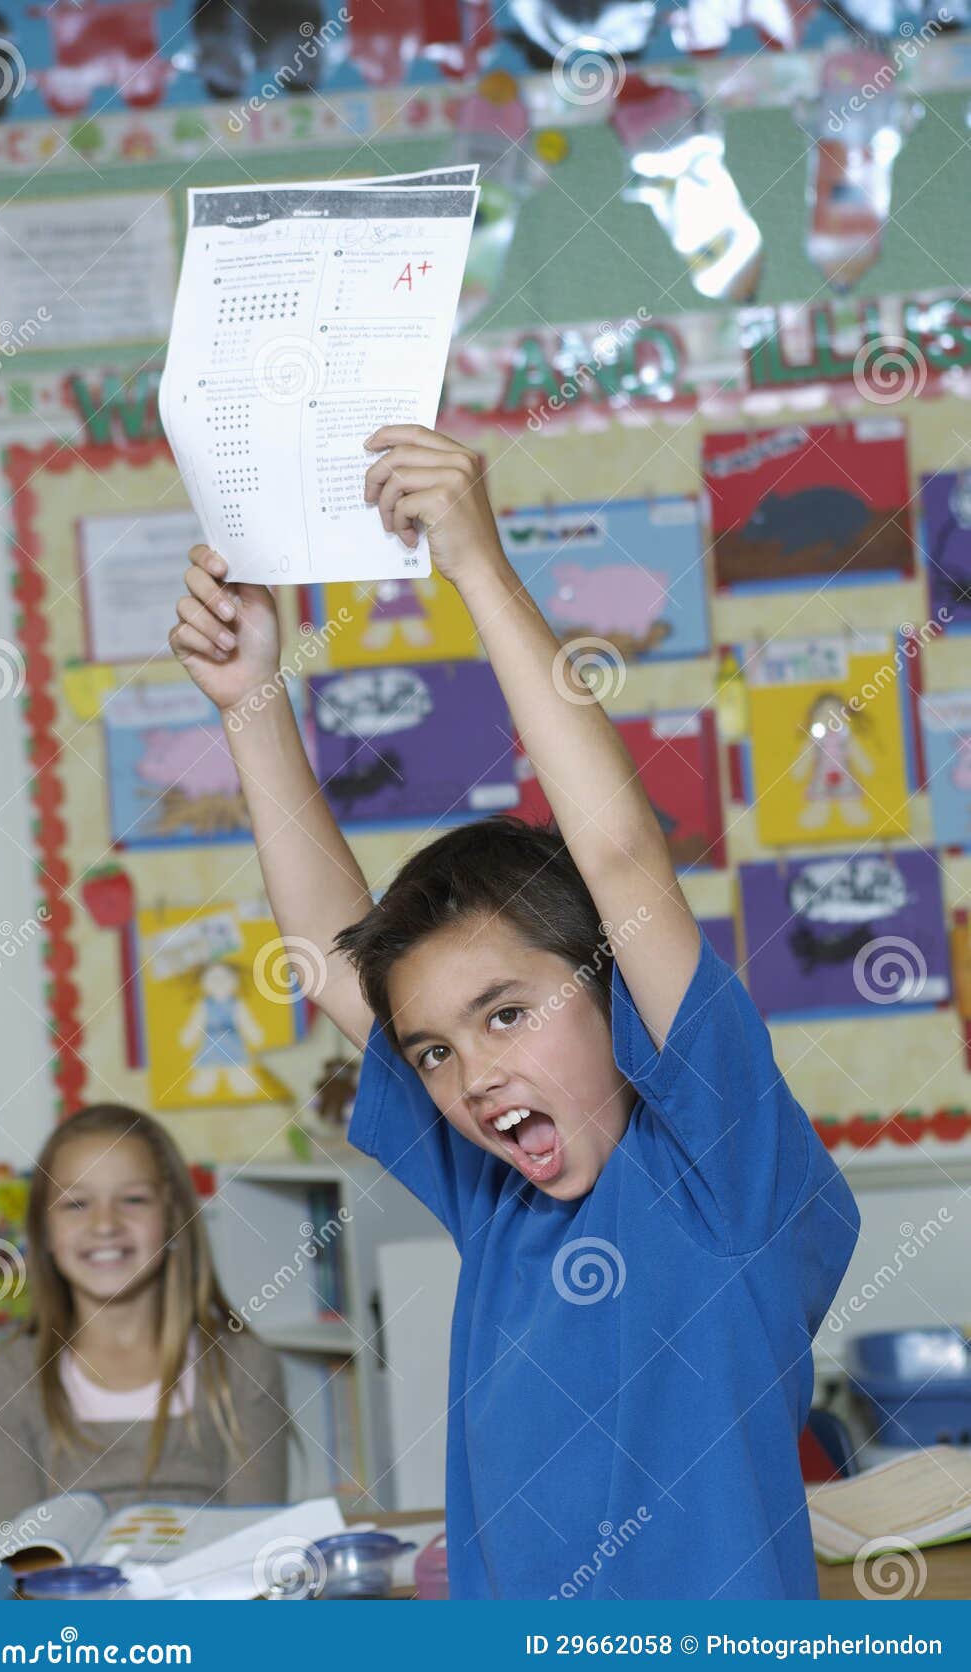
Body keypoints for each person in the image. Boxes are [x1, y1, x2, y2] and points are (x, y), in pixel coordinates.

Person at [169, 422, 860, 1599]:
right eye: (434, 1049)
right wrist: (251, 699)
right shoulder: (496, 1199)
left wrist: (477, 564)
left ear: (611, 989)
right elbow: (330, 960)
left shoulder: (723, 1173)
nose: (471, 1075)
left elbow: (620, 854)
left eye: (504, 1014)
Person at [0, 1105, 289, 1529]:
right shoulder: (1, 1388)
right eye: (76, 1204)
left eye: (133, 1200)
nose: (105, 1225)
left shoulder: (244, 1371)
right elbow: (14, 1561)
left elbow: (257, 1546)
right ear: (43, 1231)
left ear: (174, 1218)